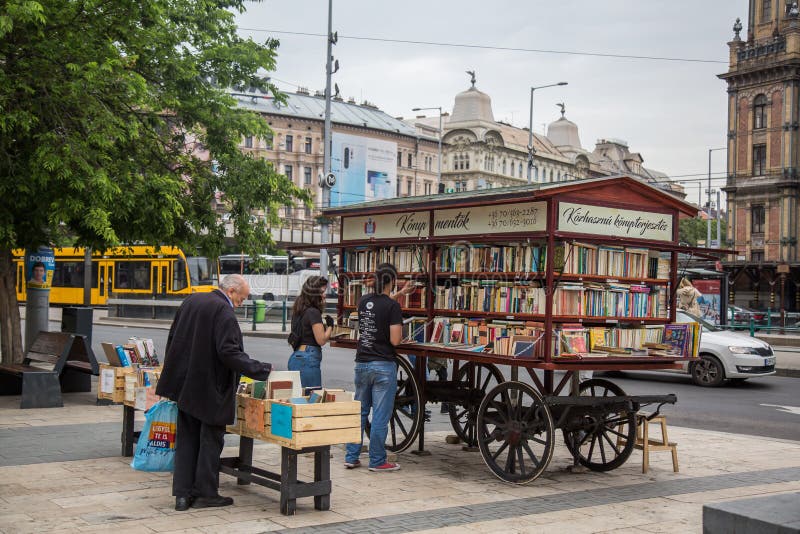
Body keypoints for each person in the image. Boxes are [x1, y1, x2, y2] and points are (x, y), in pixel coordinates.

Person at [155, 274, 272, 511]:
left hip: (185, 385)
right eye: (242, 298)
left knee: (187, 439)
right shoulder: (224, 311)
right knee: (210, 440)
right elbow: (228, 352)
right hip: (211, 388)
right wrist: (261, 369)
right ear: (231, 291)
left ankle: (182, 495)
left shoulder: (192, 301)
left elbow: (173, 339)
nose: (242, 303)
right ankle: (205, 494)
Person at [344, 263, 414, 472]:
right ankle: (377, 460)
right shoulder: (393, 307)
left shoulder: (363, 301)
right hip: (383, 364)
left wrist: (400, 293)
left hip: (362, 363)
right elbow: (395, 340)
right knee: (381, 416)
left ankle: (351, 456)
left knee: (360, 412)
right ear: (391, 281)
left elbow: (378, 307)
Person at [288, 276, 333, 388]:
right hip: (308, 358)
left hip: (295, 357)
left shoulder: (298, 311)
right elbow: (321, 340)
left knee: (298, 398)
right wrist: (330, 327)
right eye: (322, 292)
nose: (324, 295)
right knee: (311, 399)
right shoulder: (313, 312)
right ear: (314, 293)